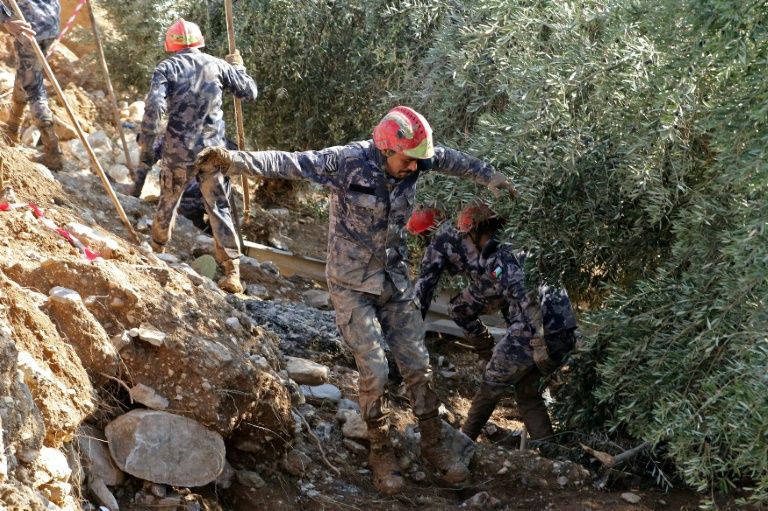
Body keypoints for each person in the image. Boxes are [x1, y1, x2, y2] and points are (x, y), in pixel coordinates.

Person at [196, 105, 517, 494]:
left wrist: (491, 177)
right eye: (407, 161)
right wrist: (233, 160)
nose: (414, 169)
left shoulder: (416, 160)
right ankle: (380, 447)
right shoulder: (346, 161)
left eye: (419, 162)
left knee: (418, 365)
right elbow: (289, 162)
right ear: (385, 149)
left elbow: (450, 159)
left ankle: (433, 442)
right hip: (350, 283)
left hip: (394, 281)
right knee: (376, 370)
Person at [429, 204, 578, 443]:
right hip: (565, 329)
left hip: (535, 331)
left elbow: (525, 294)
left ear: (477, 232)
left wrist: (540, 340)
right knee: (527, 392)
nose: (468, 242)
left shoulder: (499, 255)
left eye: (468, 236)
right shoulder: (522, 244)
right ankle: (552, 454)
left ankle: (463, 442)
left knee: (490, 384)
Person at [136, 18, 257, 293]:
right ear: (199, 40)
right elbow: (249, 92)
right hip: (213, 152)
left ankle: (156, 251)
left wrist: (147, 140)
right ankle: (231, 273)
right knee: (219, 207)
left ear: (171, 44)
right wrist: (239, 68)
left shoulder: (166, 67)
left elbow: (155, 104)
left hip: (178, 151)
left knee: (168, 200)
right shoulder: (218, 65)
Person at [0, 0, 63, 170]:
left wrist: (5, 18)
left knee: (33, 86)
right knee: (25, 72)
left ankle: (53, 152)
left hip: (28, 27)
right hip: (50, 23)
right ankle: (12, 130)